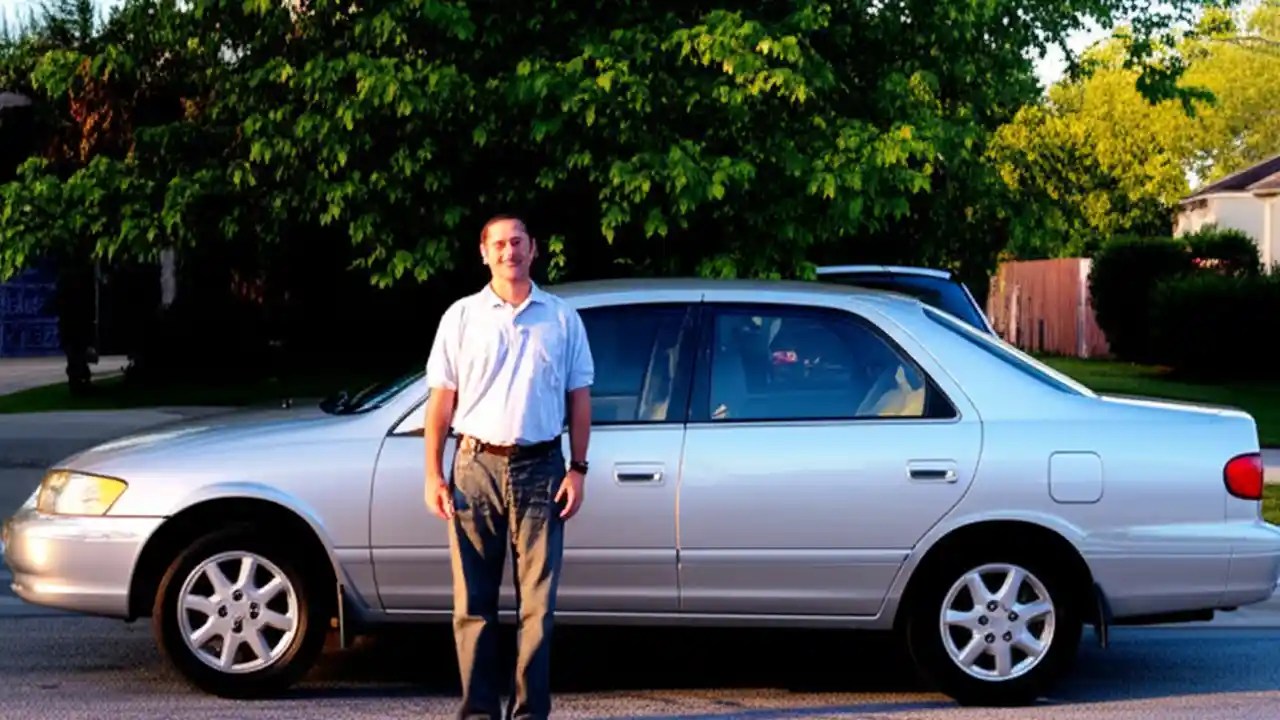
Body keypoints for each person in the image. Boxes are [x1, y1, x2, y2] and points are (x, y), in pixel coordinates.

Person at [422, 214, 594, 720]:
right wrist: (433, 472)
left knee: (537, 607)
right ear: (484, 253)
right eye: (498, 243)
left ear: (533, 248)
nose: (508, 251)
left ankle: (530, 712)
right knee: (472, 606)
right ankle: (478, 711)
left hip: (542, 469)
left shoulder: (562, 319)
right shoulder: (460, 317)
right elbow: (440, 403)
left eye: (517, 241)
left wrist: (578, 468)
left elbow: (579, 399)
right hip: (474, 470)